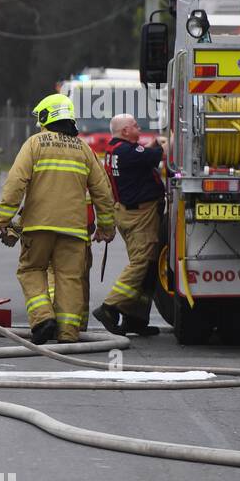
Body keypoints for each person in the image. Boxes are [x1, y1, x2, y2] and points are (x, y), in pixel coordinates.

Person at [0, 93, 115, 344]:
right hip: (74, 229)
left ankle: (42, 319)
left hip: (37, 227)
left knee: (31, 269)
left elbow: (15, 184)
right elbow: (103, 192)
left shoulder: (34, 144)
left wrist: (4, 219)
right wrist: (106, 225)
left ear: (46, 117)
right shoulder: (84, 149)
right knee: (70, 278)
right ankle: (68, 333)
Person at [93, 113, 165, 336]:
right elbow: (153, 156)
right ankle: (109, 308)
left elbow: (142, 154)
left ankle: (136, 317)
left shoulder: (116, 150)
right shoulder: (127, 152)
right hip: (139, 216)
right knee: (141, 264)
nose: (139, 129)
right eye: (135, 126)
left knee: (149, 269)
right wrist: (166, 143)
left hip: (132, 214)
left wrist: (153, 146)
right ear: (125, 131)